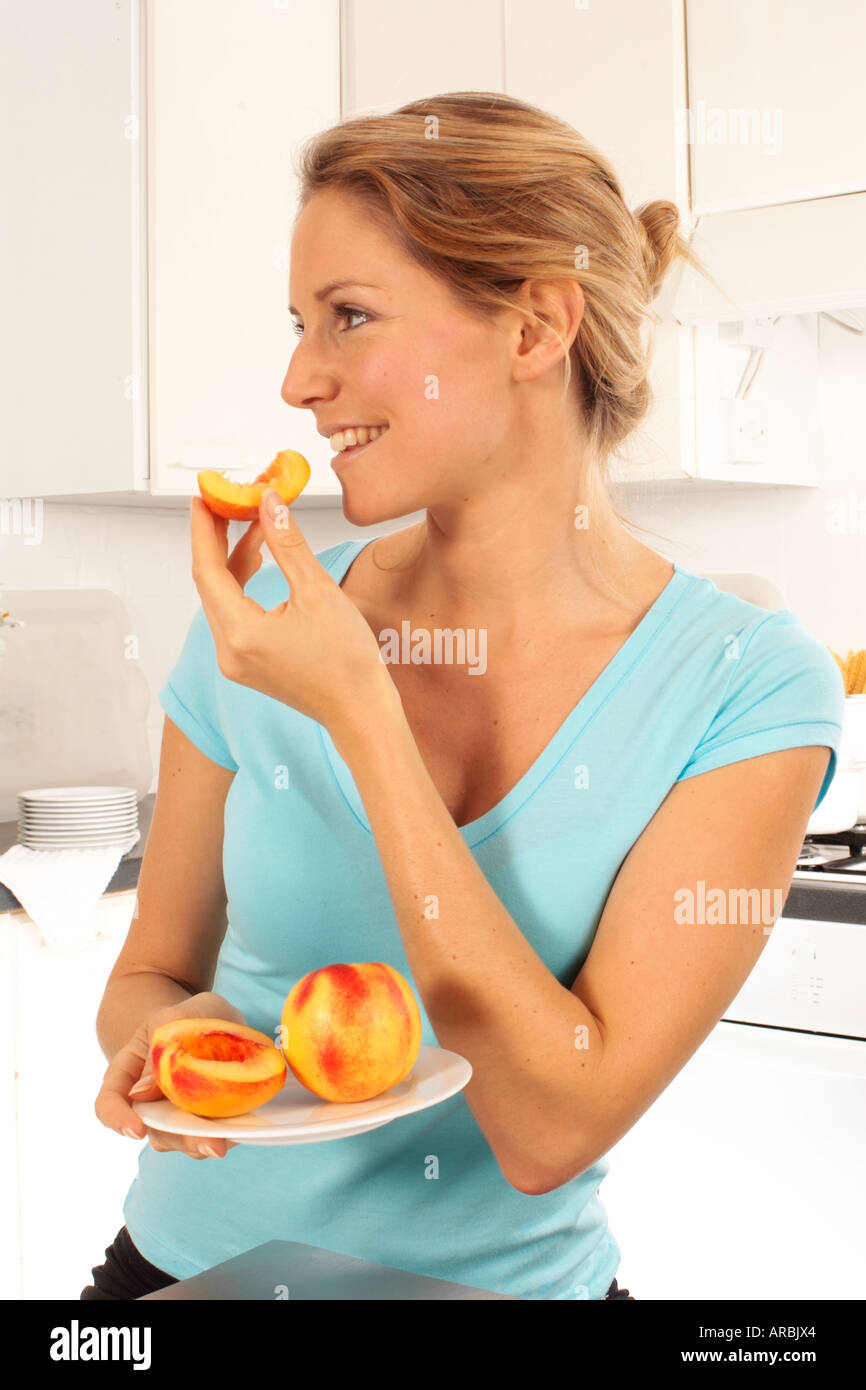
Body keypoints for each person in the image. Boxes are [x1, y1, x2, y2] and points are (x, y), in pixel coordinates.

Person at [86, 91, 843, 1302]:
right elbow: (153, 968)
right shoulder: (256, 632)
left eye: (347, 318)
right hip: (182, 1281)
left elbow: (551, 1133)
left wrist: (362, 718)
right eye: (297, 323)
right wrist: (157, 1041)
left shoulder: (745, 688)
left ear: (535, 325)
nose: (296, 380)